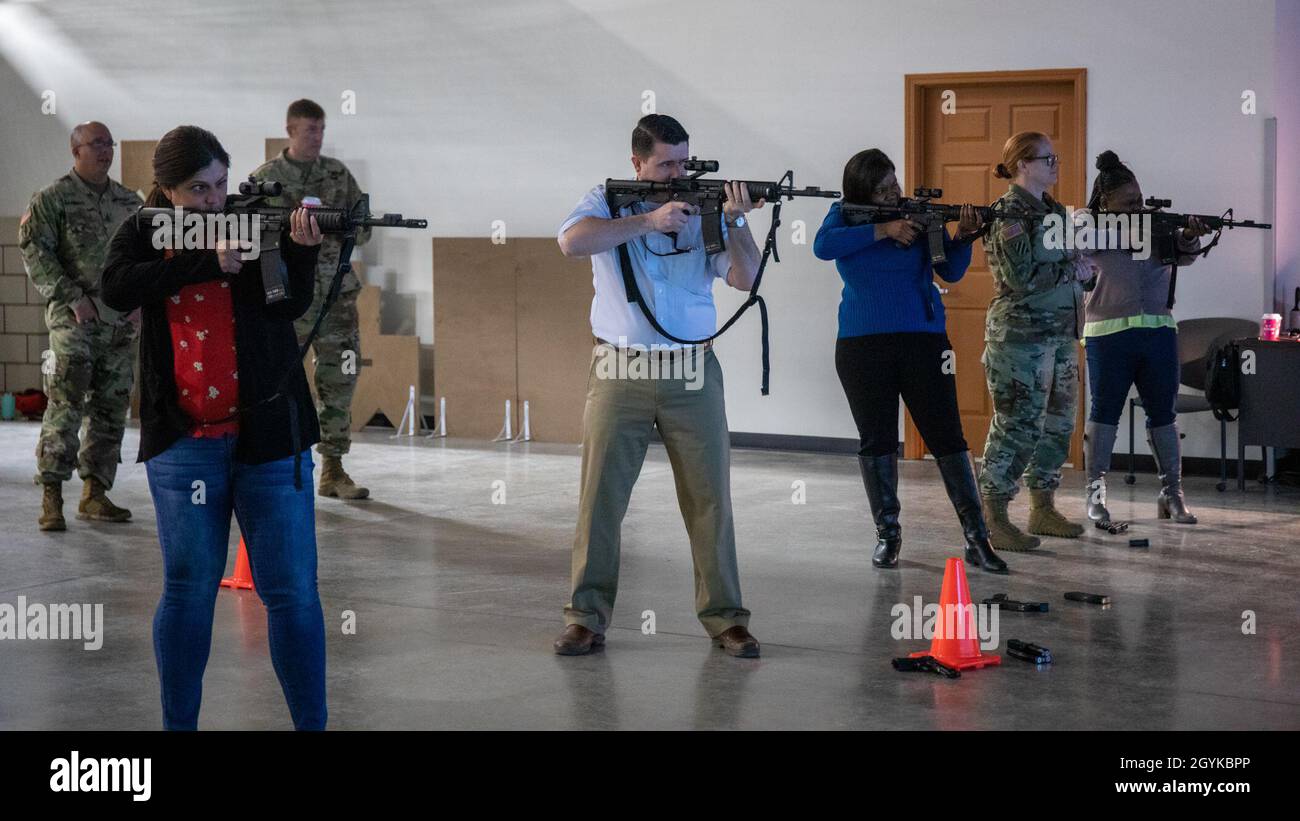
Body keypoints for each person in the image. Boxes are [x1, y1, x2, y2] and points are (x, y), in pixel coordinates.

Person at [101, 125, 327, 730]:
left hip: (270, 438)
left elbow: (287, 306)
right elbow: (116, 287)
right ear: (168, 191)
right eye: (198, 189)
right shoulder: (145, 230)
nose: (214, 199)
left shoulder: (251, 220)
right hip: (185, 441)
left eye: (221, 184)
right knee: (188, 591)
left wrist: (299, 249)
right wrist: (206, 260)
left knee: (292, 594)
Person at [553, 114, 762, 657]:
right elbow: (573, 242)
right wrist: (650, 220)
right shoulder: (604, 198)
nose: (676, 173)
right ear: (636, 163)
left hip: (692, 370)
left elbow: (746, 278)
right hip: (620, 367)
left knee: (709, 497)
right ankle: (585, 617)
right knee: (600, 498)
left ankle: (726, 619)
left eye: (683, 161)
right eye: (665, 162)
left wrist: (735, 221)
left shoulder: (704, 207)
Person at [813, 149, 1007, 573]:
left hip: (924, 342)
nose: (893, 193)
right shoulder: (843, 216)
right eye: (882, 189)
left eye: (894, 184)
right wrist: (885, 228)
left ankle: (978, 539)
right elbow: (823, 247)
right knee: (877, 440)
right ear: (862, 192)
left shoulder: (920, 216)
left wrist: (965, 237)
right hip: (862, 346)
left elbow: (950, 273)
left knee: (948, 438)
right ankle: (888, 536)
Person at [19, 121, 142, 531]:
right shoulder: (54, 199)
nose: (105, 151)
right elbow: (35, 253)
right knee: (67, 401)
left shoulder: (130, 202)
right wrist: (73, 298)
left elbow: (143, 258)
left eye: (110, 143)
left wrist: (140, 301)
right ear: (76, 151)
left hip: (119, 321)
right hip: (74, 318)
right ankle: (52, 494)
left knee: (111, 407)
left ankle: (95, 493)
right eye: (96, 144)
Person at [251, 98, 372, 500]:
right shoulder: (267, 178)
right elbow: (253, 236)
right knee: (283, 378)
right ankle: (284, 463)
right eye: (309, 130)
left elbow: (365, 227)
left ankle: (334, 467)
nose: (317, 137)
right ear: (290, 131)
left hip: (335, 296)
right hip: (289, 295)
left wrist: (342, 227)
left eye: (321, 130)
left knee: (340, 378)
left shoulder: (338, 175)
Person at [1080, 150, 1209, 525]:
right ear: (1105, 202)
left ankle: (1173, 495)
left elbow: (1184, 256)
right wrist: (1119, 228)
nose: (1138, 207)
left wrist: (1185, 234)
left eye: (1140, 200)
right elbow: (1075, 244)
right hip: (1107, 335)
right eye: (1128, 202)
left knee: (1163, 414)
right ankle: (1096, 497)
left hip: (1158, 331)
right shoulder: (1087, 224)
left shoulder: (1157, 225)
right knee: (1104, 413)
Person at [978, 131, 1091, 550]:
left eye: (1055, 156)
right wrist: (1071, 272)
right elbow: (1018, 278)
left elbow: (1070, 262)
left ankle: (1043, 507)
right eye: (1048, 158)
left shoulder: (1056, 212)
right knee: (1018, 424)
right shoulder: (1007, 214)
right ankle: (994, 515)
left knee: (1059, 424)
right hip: (1021, 337)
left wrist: (1083, 269)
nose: (1055, 164)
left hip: (1061, 334)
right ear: (1023, 164)